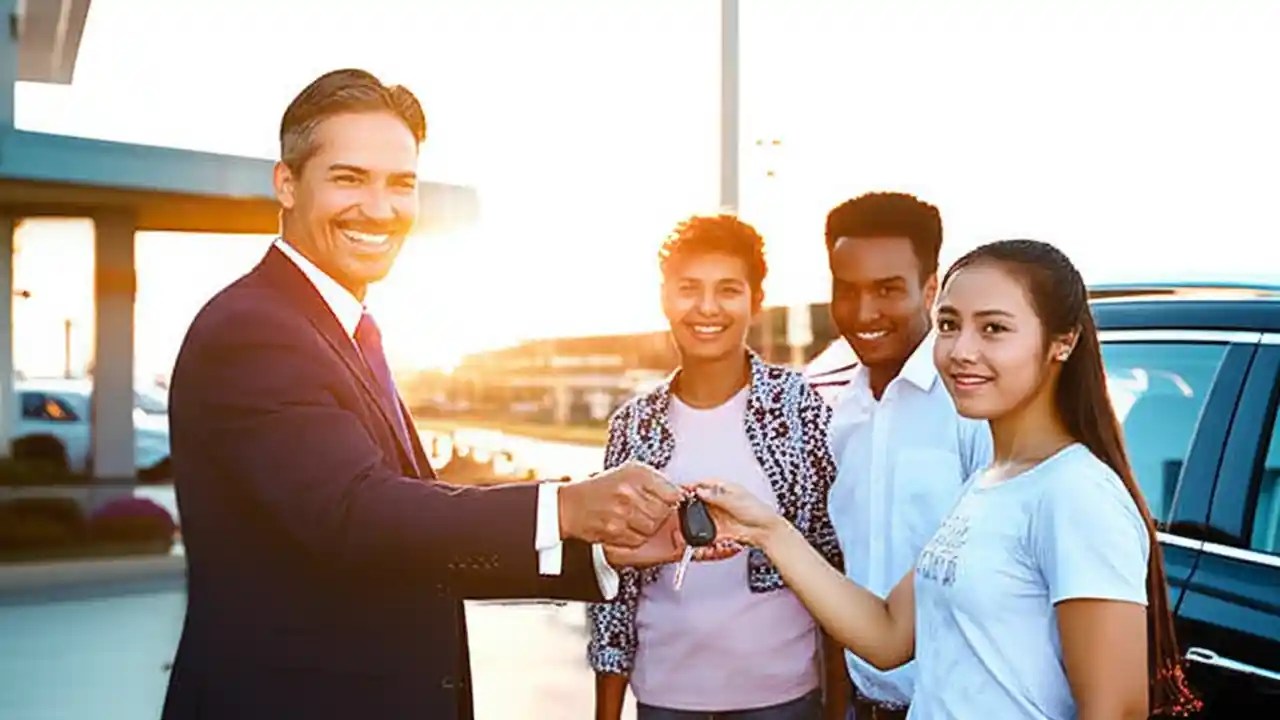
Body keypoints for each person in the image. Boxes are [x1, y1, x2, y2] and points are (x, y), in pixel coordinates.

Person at [160, 68, 686, 720]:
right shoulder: (254, 329)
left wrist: (599, 550)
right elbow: (356, 517)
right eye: (349, 178)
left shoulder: (346, 331)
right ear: (287, 184)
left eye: (400, 184)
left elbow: (415, 541)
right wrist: (566, 507)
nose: (380, 209)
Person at [692, 239, 1202, 719]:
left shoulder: (1076, 493)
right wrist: (767, 531)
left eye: (994, 329)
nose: (960, 350)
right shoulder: (987, 483)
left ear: (1062, 342)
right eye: (950, 324)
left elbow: (1116, 712)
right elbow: (888, 635)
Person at [587, 215, 846, 720]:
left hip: (784, 701)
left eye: (728, 289)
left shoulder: (799, 409)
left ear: (755, 302)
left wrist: (837, 706)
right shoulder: (633, 427)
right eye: (689, 289)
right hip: (665, 700)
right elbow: (611, 588)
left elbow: (830, 561)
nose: (707, 308)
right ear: (664, 298)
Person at [820, 192, 992, 718]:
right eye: (846, 290)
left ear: (931, 288)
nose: (864, 312)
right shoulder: (842, 413)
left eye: (887, 290)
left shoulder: (974, 403)